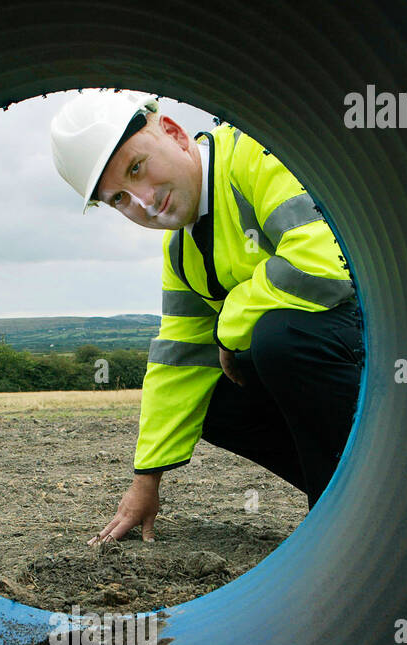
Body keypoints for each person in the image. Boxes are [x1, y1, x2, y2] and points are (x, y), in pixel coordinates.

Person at [49, 89, 365, 542]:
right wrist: (146, 480)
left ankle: (368, 497)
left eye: (137, 168)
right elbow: (177, 359)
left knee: (279, 339)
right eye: (118, 198)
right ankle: (341, 498)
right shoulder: (180, 250)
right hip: (320, 362)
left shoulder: (258, 153)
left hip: (383, 342)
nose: (142, 201)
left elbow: (325, 264)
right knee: (212, 398)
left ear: (175, 134)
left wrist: (229, 325)